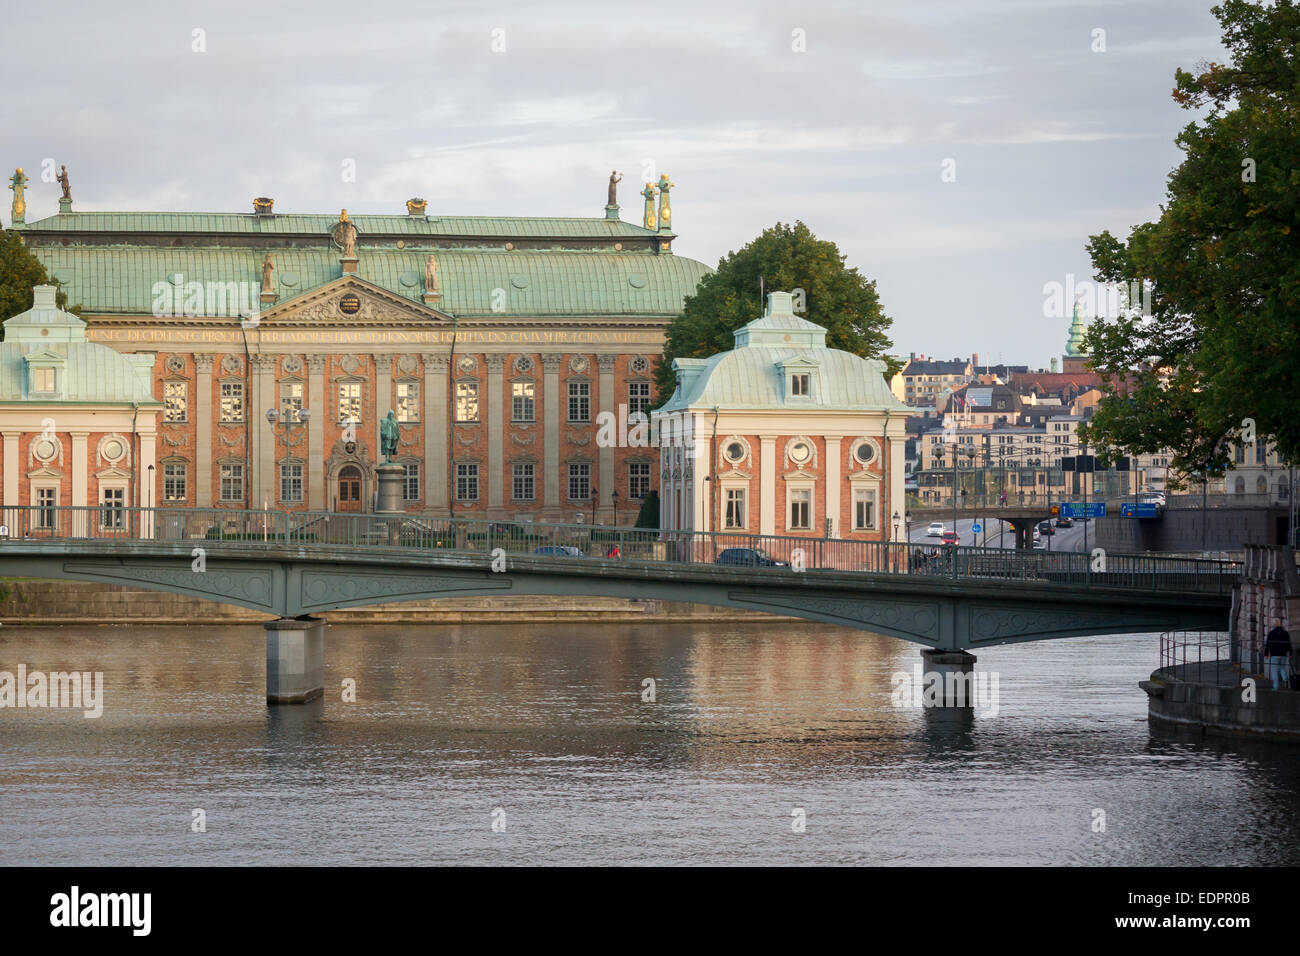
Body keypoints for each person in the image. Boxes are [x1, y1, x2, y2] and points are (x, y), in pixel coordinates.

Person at [1264, 617, 1292, 690]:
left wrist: (1266, 653)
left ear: (1274, 624)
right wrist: (1290, 653)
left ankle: (1275, 687)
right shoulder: (1285, 633)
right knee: (1282, 667)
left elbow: (1268, 644)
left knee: (1274, 670)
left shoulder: (1271, 633)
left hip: (1274, 654)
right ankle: (1285, 679)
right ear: (1280, 624)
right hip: (1283, 654)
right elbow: (1289, 644)